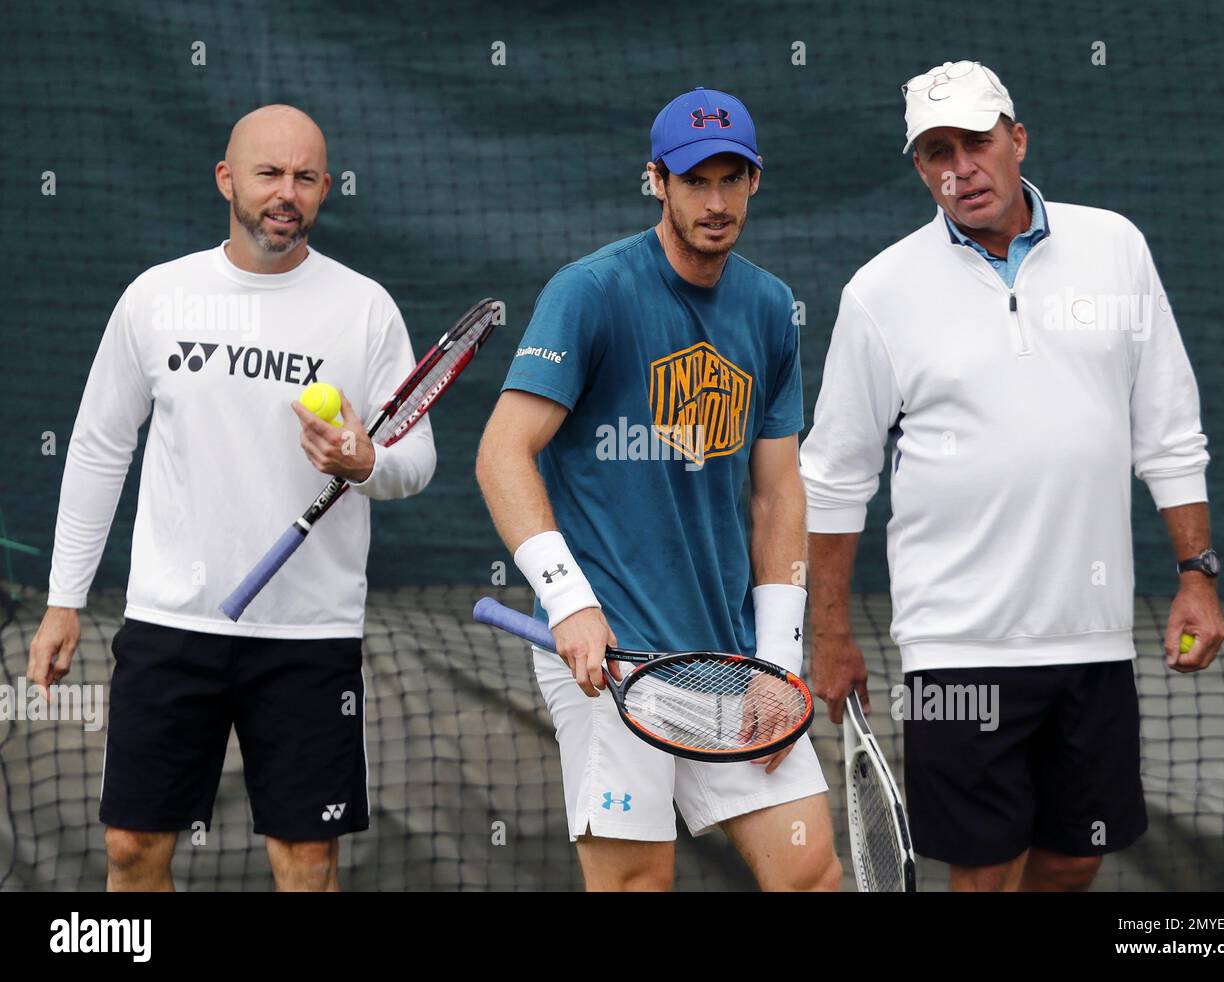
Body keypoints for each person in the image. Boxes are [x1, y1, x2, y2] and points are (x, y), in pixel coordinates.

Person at [800, 61, 1224, 891]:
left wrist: (1196, 575)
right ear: (919, 167)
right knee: (984, 873)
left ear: (1017, 138)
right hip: (953, 648)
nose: (960, 168)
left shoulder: (1117, 248)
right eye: (935, 152)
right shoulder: (879, 293)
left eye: (975, 142)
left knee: (1075, 858)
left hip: (1093, 636)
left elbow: (1170, 430)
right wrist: (829, 635)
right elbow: (835, 479)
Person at [27, 104, 436, 891]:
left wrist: (362, 459)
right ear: (226, 179)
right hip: (170, 624)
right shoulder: (157, 296)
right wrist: (63, 599)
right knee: (130, 849)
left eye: (305, 178)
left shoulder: (365, 308)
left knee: (307, 860)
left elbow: (414, 460)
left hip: (309, 635)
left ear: (323, 190)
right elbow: (99, 445)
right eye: (269, 173)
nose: (287, 193)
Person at [476, 87, 839, 891]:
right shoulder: (591, 292)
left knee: (810, 873)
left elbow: (779, 493)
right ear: (657, 182)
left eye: (730, 180)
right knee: (637, 884)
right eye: (693, 180)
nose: (714, 202)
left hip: (730, 657)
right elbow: (502, 453)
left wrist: (777, 661)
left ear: (754, 182)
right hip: (617, 657)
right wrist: (569, 600)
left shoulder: (771, 308)